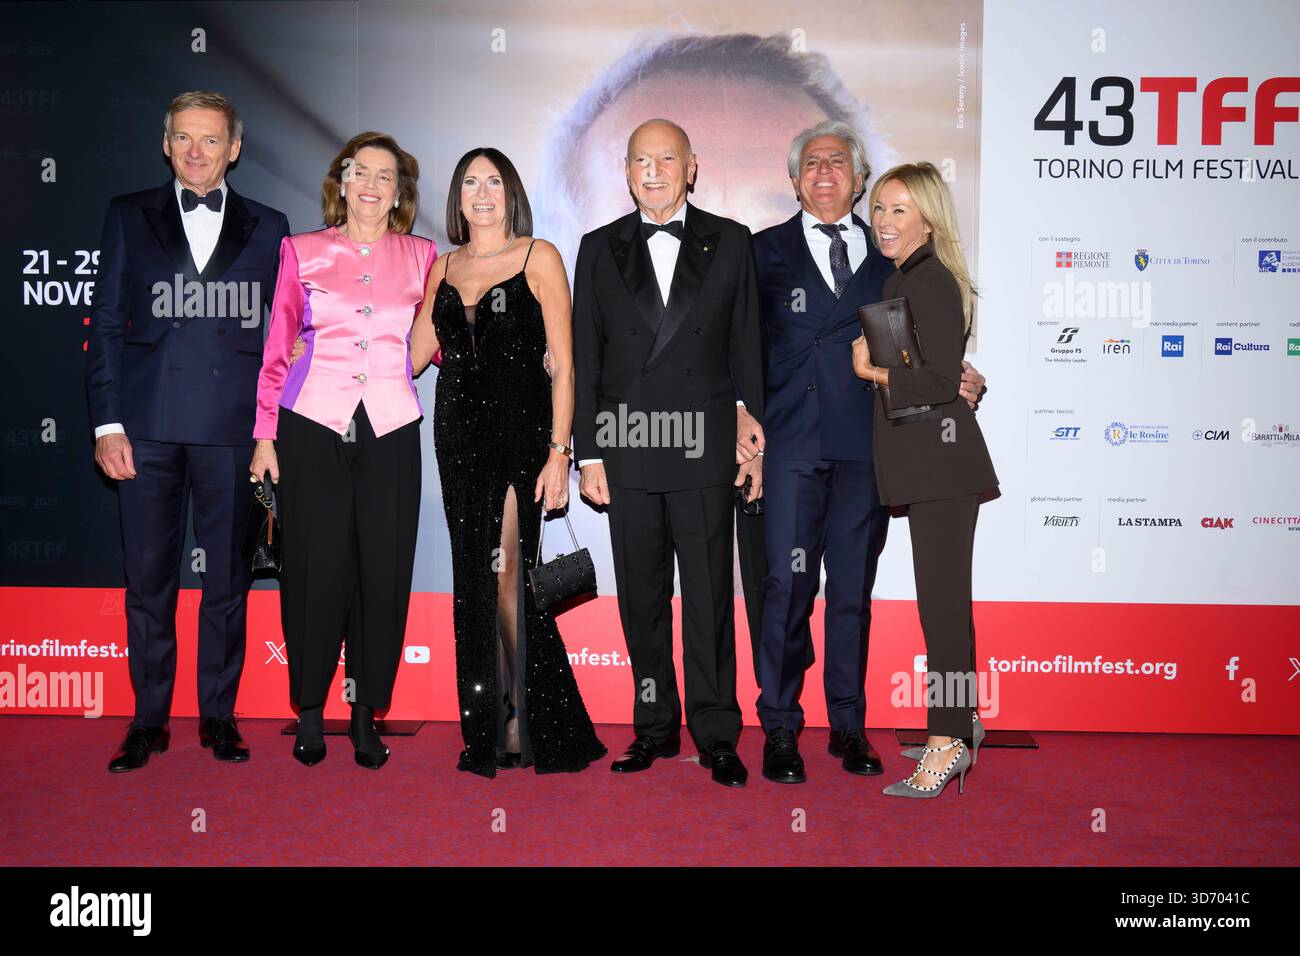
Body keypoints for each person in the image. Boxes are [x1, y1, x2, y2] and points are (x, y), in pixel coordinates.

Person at [749, 122, 987, 784]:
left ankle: (848, 726)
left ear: (858, 178)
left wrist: (961, 376)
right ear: (794, 179)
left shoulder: (894, 258)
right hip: (791, 443)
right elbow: (736, 346)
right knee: (787, 588)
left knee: (852, 593)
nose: (825, 171)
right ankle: (780, 725)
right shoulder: (759, 251)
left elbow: (927, 349)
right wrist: (741, 417)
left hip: (868, 447)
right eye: (812, 162)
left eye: (840, 163)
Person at [86, 90, 290, 773]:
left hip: (232, 431)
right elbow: (108, 325)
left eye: (210, 140)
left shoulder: (270, 225)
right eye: (184, 139)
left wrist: (268, 432)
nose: (196, 152)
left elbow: (279, 340)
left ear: (234, 148)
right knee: (148, 581)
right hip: (144, 428)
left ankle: (219, 717)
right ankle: (147, 721)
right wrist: (107, 422)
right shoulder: (127, 215)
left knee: (227, 582)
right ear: (166, 144)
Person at [572, 119, 765, 788]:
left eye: (666, 158)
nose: (652, 170)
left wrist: (750, 428)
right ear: (626, 173)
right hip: (626, 448)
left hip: (703, 444)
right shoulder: (597, 248)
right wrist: (588, 452)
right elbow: (586, 355)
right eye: (640, 160)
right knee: (642, 599)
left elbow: (747, 346)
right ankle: (654, 728)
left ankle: (716, 735)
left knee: (709, 597)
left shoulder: (731, 241)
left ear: (692, 167)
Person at [408, 148, 606, 777]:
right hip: (458, 437)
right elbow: (409, 356)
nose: (482, 193)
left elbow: (565, 364)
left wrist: (560, 452)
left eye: (493, 182)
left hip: (523, 437)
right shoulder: (441, 267)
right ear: (457, 197)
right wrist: (319, 333)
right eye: (470, 182)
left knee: (508, 578)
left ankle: (530, 722)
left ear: (510, 192)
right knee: (474, 582)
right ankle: (494, 726)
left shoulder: (537, 256)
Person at [250, 132, 433, 769]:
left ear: (400, 192)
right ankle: (308, 715)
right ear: (342, 182)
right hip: (313, 426)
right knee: (313, 568)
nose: (374, 185)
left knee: (380, 573)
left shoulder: (422, 257)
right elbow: (277, 348)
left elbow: (442, 338)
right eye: (362, 173)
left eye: (387, 176)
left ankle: (363, 719)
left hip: (390, 428)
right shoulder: (301, 251)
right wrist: (264, 436)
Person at [852, 161, 999, 798]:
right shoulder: (907, 276)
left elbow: (939, 384)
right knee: (945, 610)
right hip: (932, 465)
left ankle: (946, 747)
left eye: (900, 210)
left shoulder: (930, 281)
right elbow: (946, 374)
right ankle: (960, 721)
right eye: (880, 208)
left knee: (941, 611)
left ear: (928, 219)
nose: (885, 221)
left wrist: (874, 372)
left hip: (944, 467)